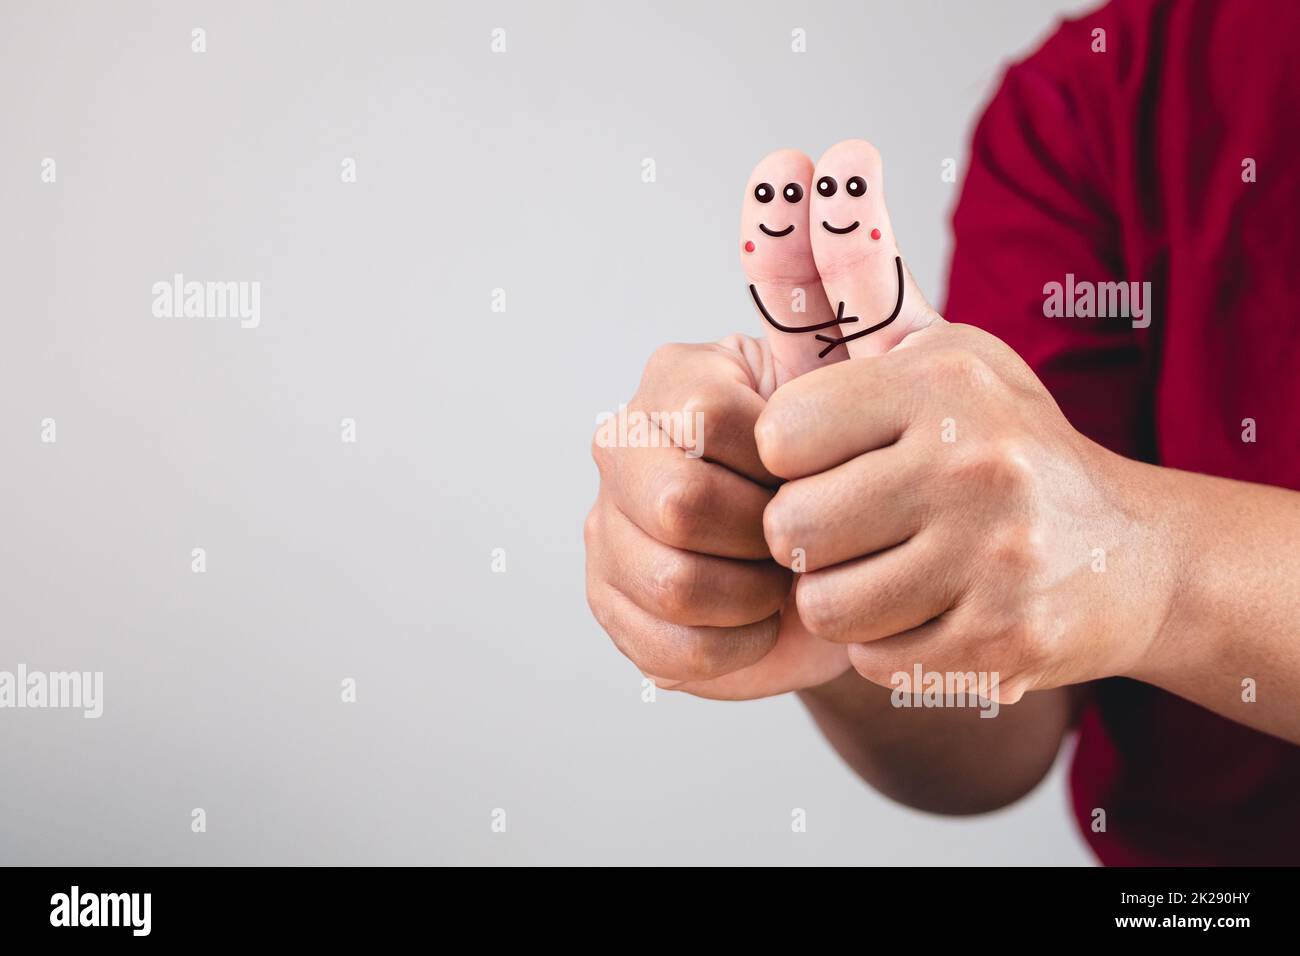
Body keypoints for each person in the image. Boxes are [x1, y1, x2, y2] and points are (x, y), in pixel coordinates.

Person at [584, 0, 1300, 865]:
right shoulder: (1094, 97)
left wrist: (1153, 565)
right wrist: (850, 578)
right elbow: (1006, 721)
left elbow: (1099, 561)